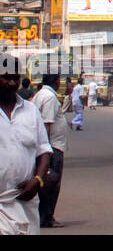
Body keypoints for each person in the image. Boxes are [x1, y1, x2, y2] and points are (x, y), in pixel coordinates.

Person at [0, 64, 53, 235]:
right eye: (6, 77)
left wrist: (38, 179)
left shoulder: (31, 111)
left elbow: (44, 150)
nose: (11, 83)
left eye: (15, 78)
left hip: (25, 200)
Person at [32, 75, 68, 228]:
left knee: (47, 183)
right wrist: (46, 151)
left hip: (50, 145)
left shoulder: (40, 94)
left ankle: (44, 216)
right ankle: (46, 217)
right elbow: (47, 123)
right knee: (51, 183)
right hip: (52, 146)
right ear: (56, 81)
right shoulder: (49, 97)